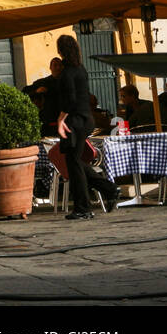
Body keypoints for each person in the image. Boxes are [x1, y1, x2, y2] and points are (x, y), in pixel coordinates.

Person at [55, 34, 119, 220]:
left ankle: (83, 208)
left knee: (73, 163)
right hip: (85, 120)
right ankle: (108, 188)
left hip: (74, 122)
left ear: (61, 50)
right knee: (74, 162)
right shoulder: (80, 69)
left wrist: (61, 120)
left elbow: (71, 100)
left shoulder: (67, 73)